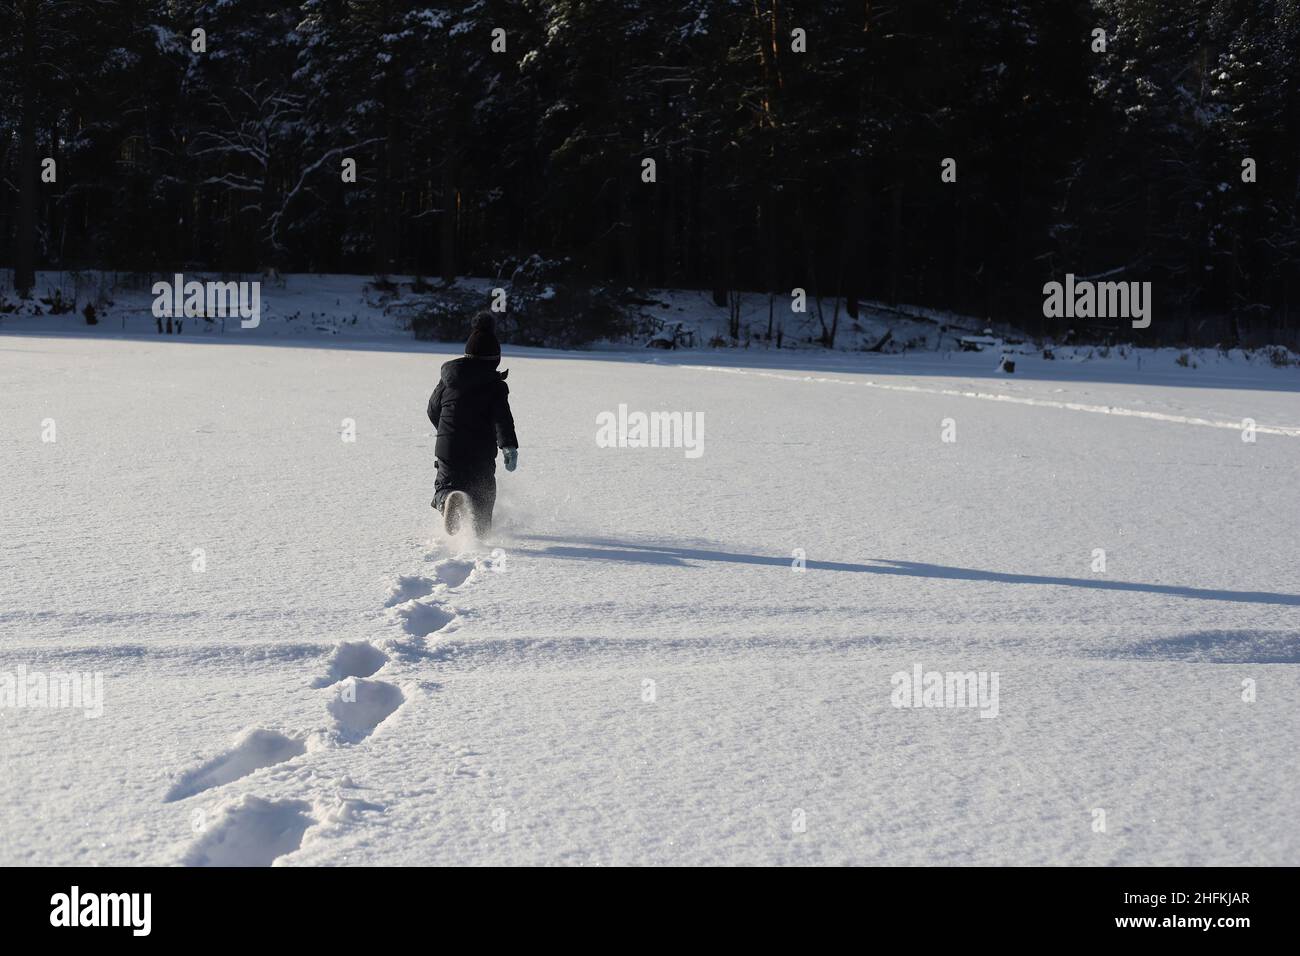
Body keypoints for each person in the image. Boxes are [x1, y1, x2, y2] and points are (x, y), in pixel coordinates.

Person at [427, 313, 519, 536]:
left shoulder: (448, 380)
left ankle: (448, 499)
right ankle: (481, 527)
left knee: (446, 484)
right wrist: (508, 446)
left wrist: (446, 431)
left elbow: (433, 409)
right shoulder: (495, 386)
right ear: (495, 359)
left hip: (449, 447)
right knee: (483, 491)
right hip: (481, 452)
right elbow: (502, 419)